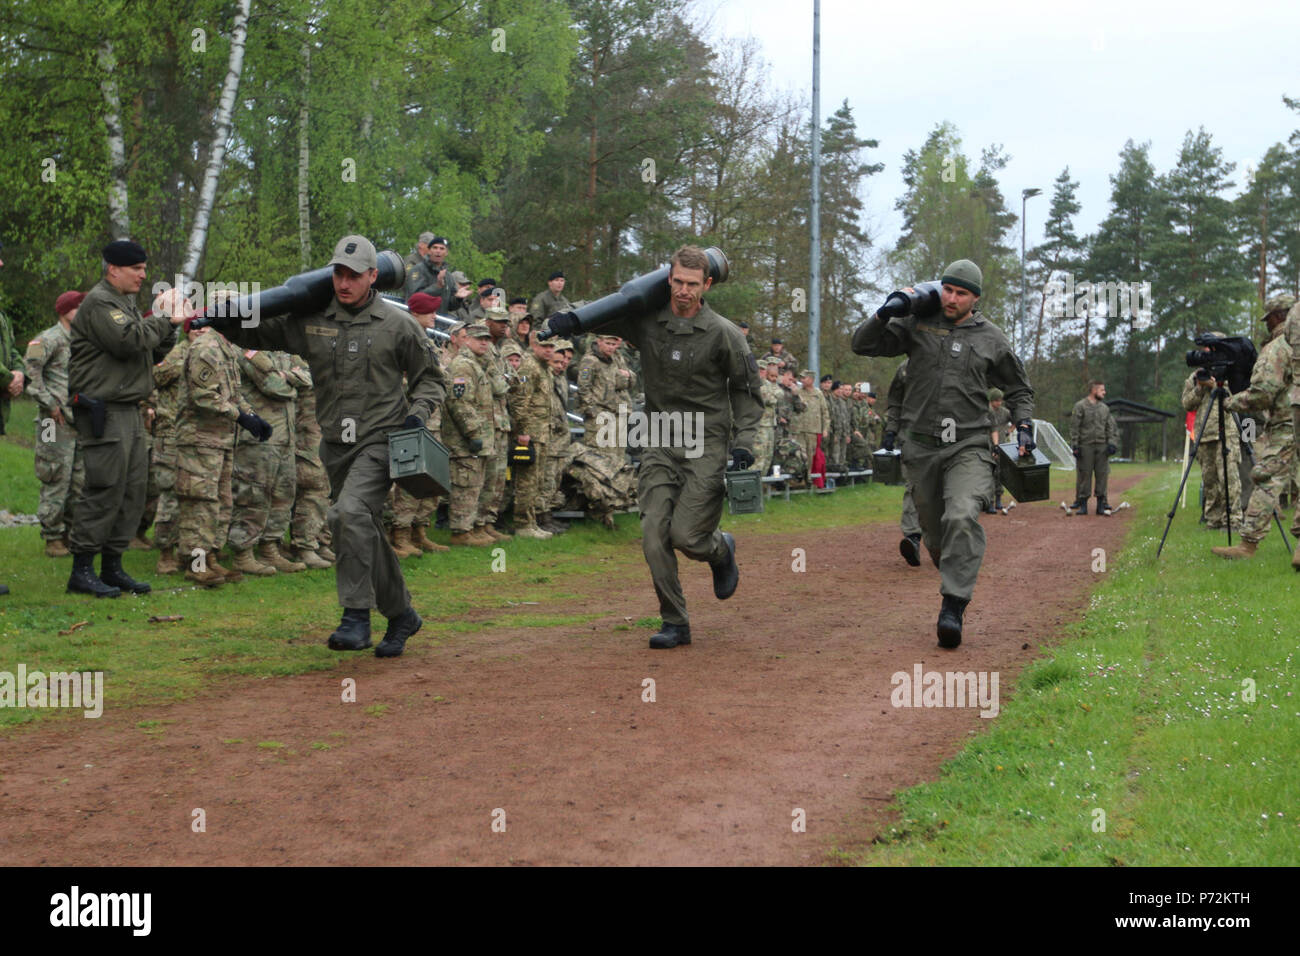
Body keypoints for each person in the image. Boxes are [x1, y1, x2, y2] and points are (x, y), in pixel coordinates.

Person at [207, 234, 447, 657]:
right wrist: (218, 317)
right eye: (338, 273)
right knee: (363, 527)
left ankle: (355, 617)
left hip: (381, 439)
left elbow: (430, 377)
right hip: (335, 444)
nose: (344, 282)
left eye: (354, 275)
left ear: (373, 276)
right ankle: (402, 614)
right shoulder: (313, 319)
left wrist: (418, 414)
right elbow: (261, 333)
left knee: (348, 512)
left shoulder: (398, 325)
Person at [544, 245, 762, 649]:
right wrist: (567, 319)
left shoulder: (724, 334)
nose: (683, 290)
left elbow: (748, 392)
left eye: (692, 284)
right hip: (660, 438)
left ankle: (719, 549)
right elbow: (605, 314)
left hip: (706, 442)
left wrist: (744, 444)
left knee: (688, 537)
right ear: (668, 280)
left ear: (706, 285)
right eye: (677, 281)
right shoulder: (648, 322)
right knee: (653, 535)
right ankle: (675, 621)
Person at [852, 259, 1034, 647]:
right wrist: (885, 312)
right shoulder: (918, 322)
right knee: (935, 535)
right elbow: (863, 344)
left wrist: (1024, 427)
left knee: (963, 513)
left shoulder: (991, 338)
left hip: (968, 443)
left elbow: (1019, 390)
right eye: (948, 289)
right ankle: (951, 574)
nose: (951, 298)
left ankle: (953, 605)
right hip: (920, 445)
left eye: (961, 293)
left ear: (976, 298)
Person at [66, 240, 183, 598]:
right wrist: (163, 317)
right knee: (104, 488)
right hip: (105, 409)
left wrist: (169, 328)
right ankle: (82, 569)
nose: (143, 275)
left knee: (132, 491)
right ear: (113, 269)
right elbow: (129, 342)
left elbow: (146, 350)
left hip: (129, 409)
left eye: (144, 269)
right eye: (137, 269)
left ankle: (112, 566)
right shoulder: (100, 302)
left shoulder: (124, 303)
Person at [1212, 295, 1299, 560]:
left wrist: (1231, 401)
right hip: (1280, 423)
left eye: (1269, 318)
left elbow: (1263, 393)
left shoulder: (1277, 348)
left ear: (1278, 317)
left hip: (1286, 424)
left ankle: (1248, 544)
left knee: (1266, 478)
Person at [25, 290, 86, 556]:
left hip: (78, 420)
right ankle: (52, 536)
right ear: (64, 310)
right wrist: (50, 404)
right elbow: (32, 373)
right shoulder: (46, 339)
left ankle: (71, 534)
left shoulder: (82, 340)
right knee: (55, 474)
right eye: (78, 306)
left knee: (79, 479)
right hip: (52, 422)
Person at [1180, 342, 1243, 532]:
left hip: (1227, 431)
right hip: (1204, 434)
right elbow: (1187, 404)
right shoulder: (1195, 377)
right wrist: (1201, 387)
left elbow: (1239, 397)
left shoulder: (1232, 372)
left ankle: (1233, 520)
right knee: (1209, 481)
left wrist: (1215, 384)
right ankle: (1213, 519)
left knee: (1229, 479)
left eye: (1210, 351)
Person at [443, 324, 495, 546]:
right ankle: (460, 531)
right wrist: (473, 432)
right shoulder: (463, 366)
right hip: (463, 440)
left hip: (477, 438)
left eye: (487, 339)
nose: (484, 342)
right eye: (478, 339)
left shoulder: (476, 364)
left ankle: (469, 527)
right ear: (467, 341)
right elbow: (460, 403)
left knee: (475, 485)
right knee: (465, 485)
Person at [884, 360, 922, 566]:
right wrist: (891, 429)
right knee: (913, 486)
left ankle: (945, 539)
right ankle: (912, 538)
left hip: (945, 434)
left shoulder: (948, 359)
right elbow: (895, 401)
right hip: (911, 434)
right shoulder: (905, 368)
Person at [1069, 379, 1119, 515]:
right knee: (1085, 475)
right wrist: (1075, 445)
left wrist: (1112, 444)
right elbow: (1075, 427)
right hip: (1085, 446)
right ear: (1094, 390)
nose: (1104, 393)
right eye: (1102, 390)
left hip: (1102, 447)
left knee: (1102, 475)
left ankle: (1101, 505)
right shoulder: (1080, 406)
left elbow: (1111, 428)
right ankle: (1083, 504)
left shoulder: (1105, 408)